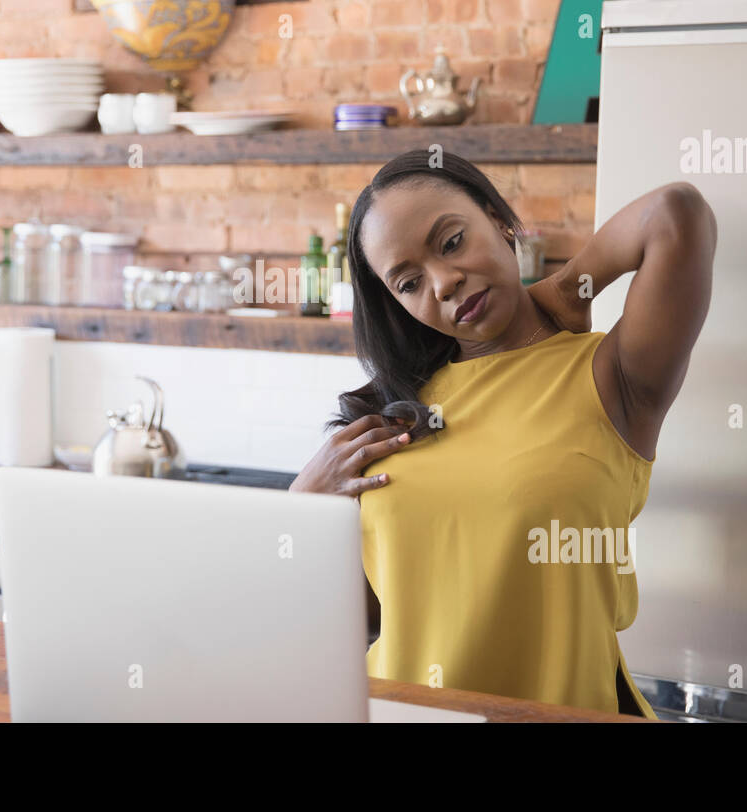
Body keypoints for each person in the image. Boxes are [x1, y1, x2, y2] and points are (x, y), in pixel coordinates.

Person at [289, 149, 717, 718]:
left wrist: (568, 288)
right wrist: (301, 509)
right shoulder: (395, 414)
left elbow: (675, 213)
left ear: (498, 219)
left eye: (451, 242)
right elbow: (349, 618)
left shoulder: (612, 376)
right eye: (409, 282)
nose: (443, 283)